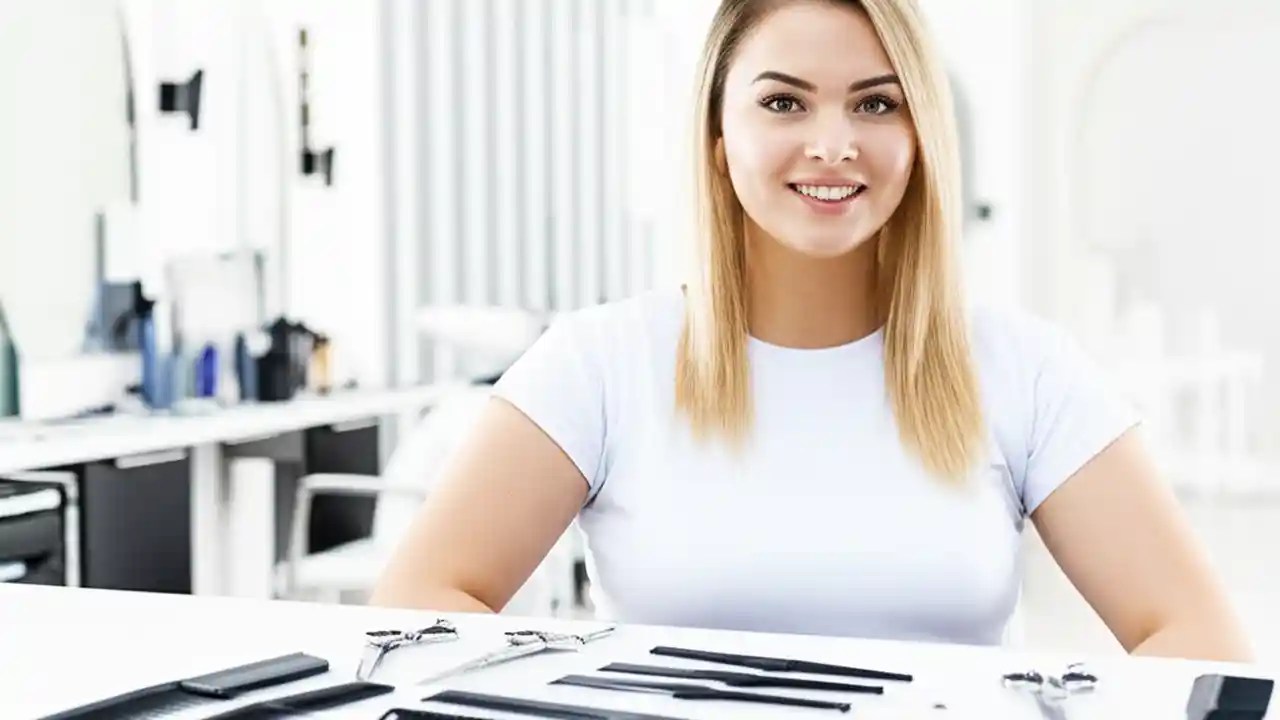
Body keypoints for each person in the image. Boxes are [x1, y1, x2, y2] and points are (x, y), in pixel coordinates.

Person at [372, 0, 1252, 661]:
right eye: (784, 104)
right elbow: (419, 599)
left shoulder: (1026, 372)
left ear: (920, 137)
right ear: (719, 137)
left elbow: (1197, 637)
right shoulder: (600, 364)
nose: (833, 144)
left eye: (875, 105)